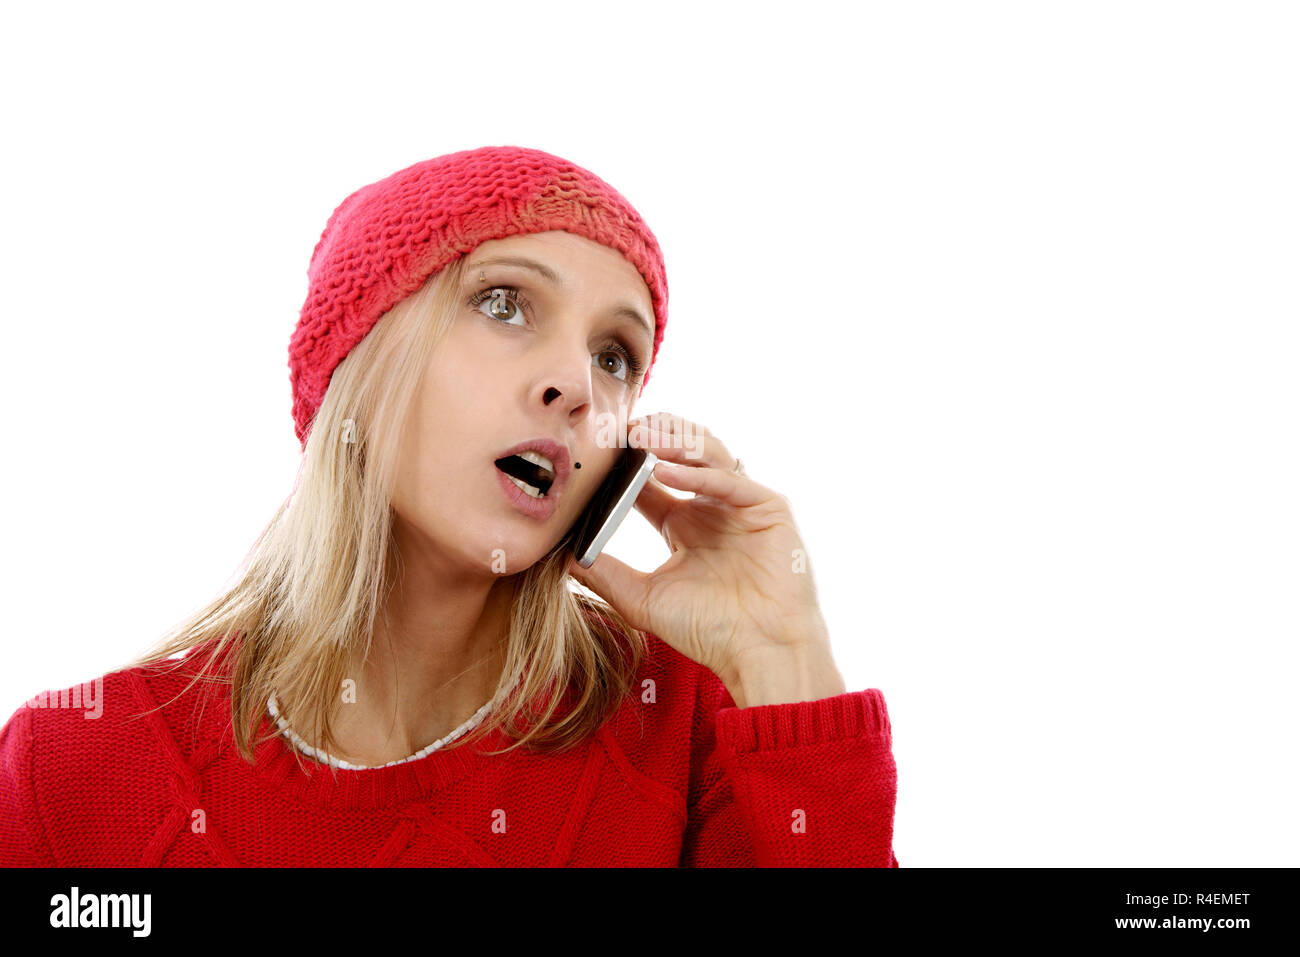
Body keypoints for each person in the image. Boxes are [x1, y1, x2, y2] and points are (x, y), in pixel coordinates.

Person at [0, 145, 899, 867]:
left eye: (615, 356)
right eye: (504, 304)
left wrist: (786, 663)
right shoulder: (73, 766)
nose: (574, 383)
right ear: (362, 357)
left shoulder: (687, 726)